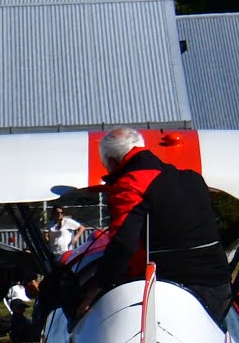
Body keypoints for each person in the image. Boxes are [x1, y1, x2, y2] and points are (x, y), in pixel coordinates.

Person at [87, 127, 231, 322]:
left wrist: (98, 285)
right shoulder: (193, 178)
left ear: (112, 162)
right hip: (220, 287)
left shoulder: (131, 184)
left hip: (169, 290)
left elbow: (123, 244)